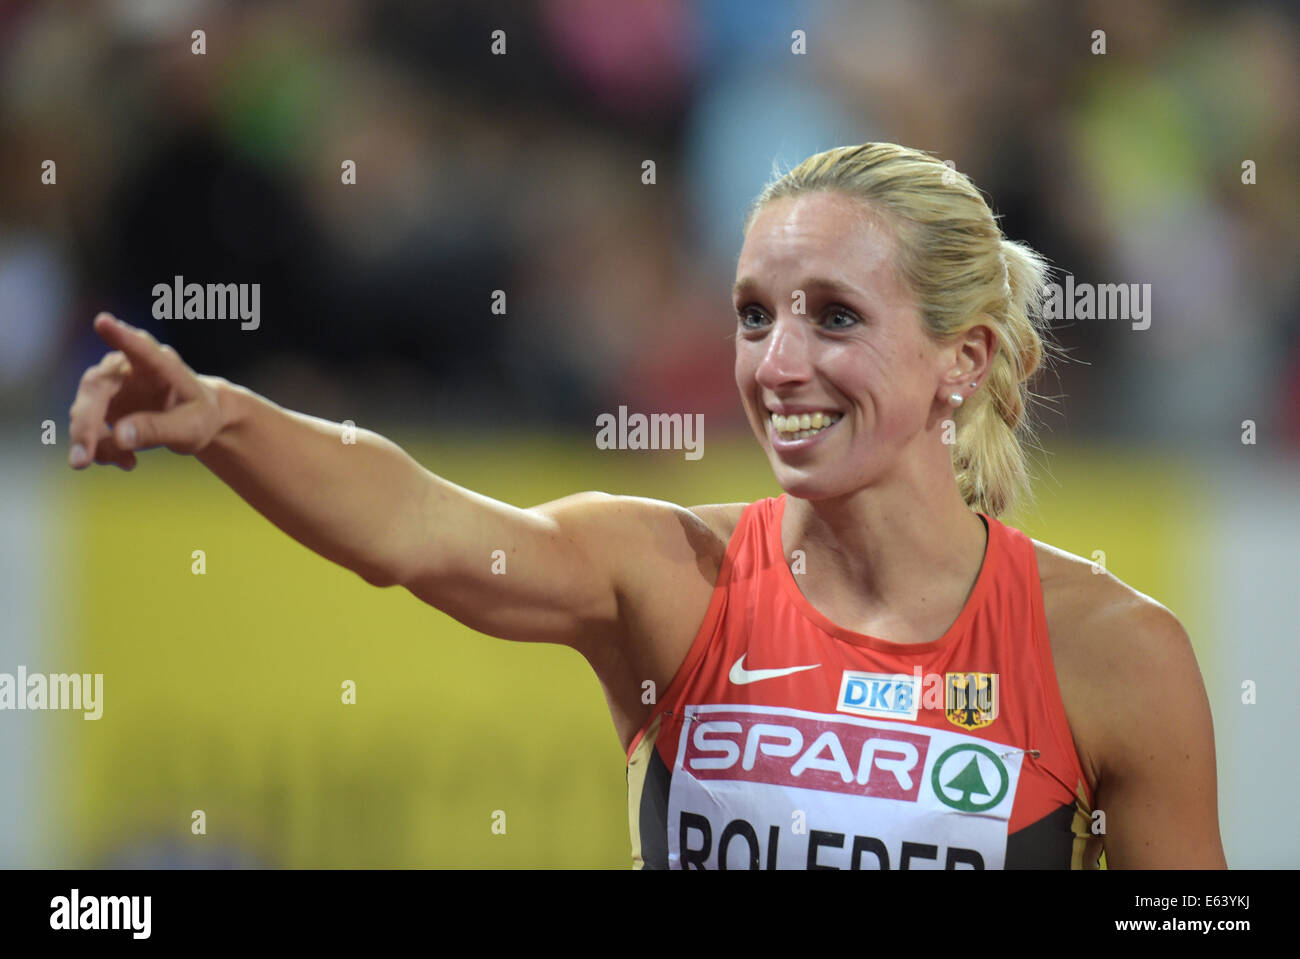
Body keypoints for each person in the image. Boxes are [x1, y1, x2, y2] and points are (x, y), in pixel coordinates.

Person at [67, 142, 1225, 870]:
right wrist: (222, 417)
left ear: (961, 359)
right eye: (754, 312)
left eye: (833, 317)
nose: (777, 363)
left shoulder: (1109, 651)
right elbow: (413, 526)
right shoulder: (673, 574)